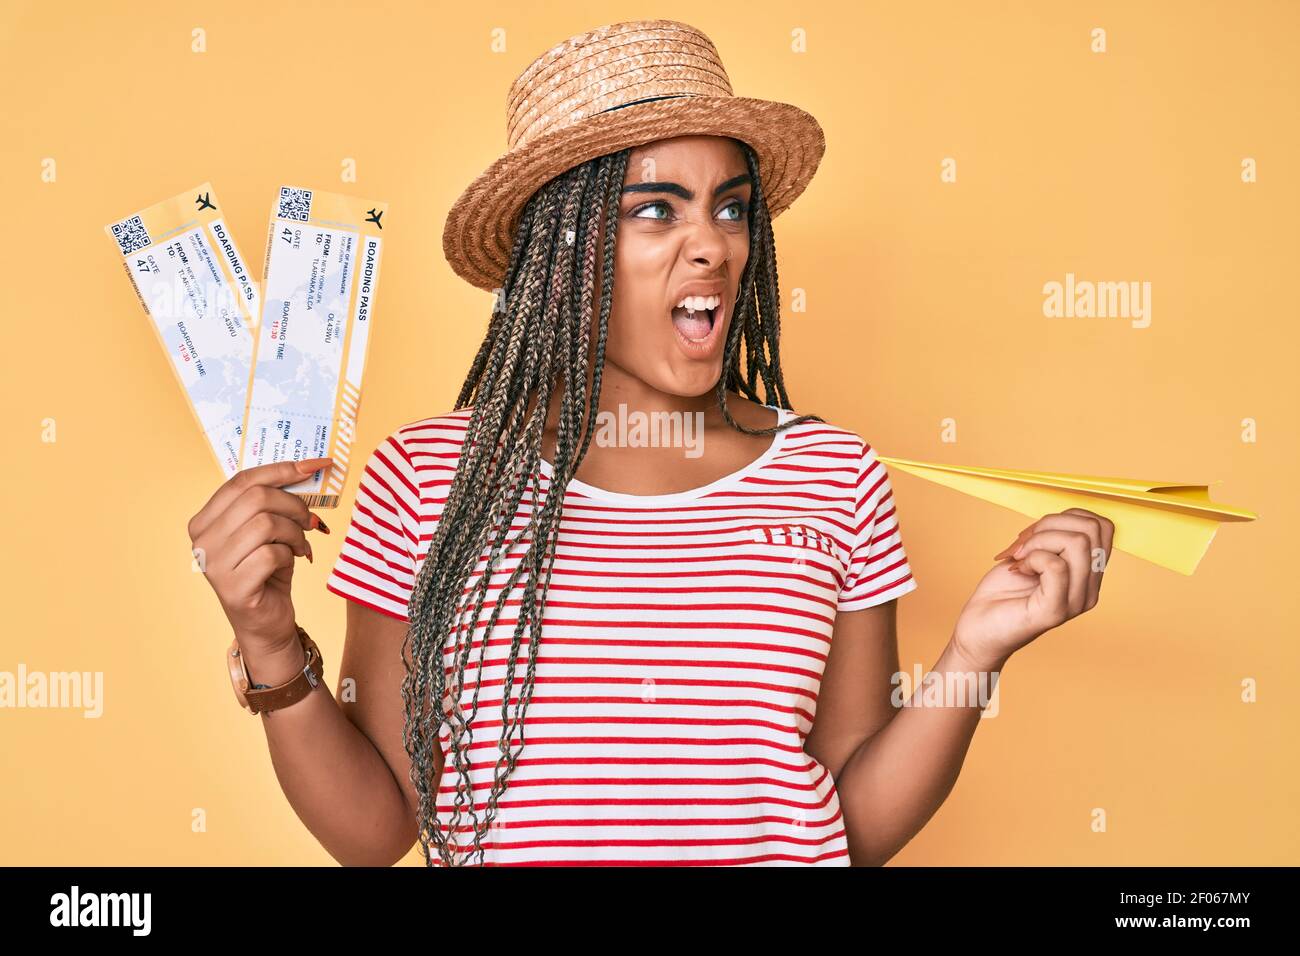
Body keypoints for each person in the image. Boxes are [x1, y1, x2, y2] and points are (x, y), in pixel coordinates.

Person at [188, 19, 1112, 867]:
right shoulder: (432, 478)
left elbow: (849, 830)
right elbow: (377, 831)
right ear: (561, 254)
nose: (712, 244)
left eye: (731, 207)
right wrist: (269, 644)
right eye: (657, 209)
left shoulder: (834, 476)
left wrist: (972, 660)